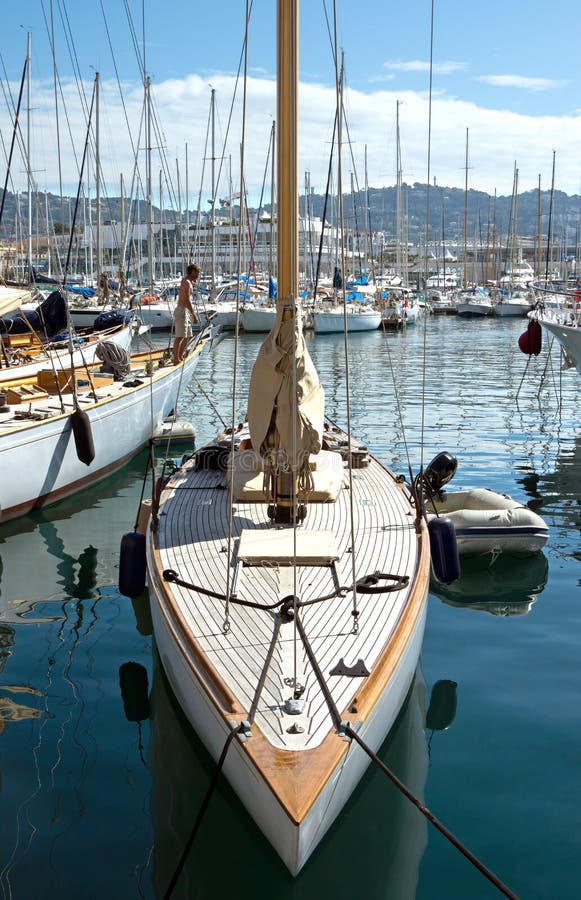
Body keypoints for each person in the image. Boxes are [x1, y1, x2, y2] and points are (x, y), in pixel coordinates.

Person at [173, 263, 200, 364]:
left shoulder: (187, 281)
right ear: (193, 271)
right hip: (182, 310)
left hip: (185, 311)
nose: (198, 275)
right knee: (180, 336)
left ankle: (179, 356)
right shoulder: (187, 282)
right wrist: (194, 314)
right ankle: (176, 359)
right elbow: (187, 300)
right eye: (197, 272)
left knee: (187, 336)